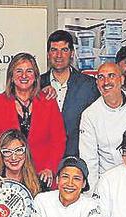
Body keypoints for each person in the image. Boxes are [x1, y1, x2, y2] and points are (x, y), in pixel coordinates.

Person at [0, 52, 65, 182]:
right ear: (11, 76)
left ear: (36, 76)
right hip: (7, 173)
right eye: (19, 71)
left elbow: (58, 140)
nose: (24, 76)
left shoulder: (48, 101)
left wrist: (50, 168)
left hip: (41, 174)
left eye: (29, 71)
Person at [40, 30, 98, 158]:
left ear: (72, 53)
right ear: (48, 54)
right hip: (42, 162)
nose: (58, 55)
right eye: (54, 50)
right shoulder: (36, 85)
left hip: (77, 161)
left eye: (64, 50)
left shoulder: (89, 86)